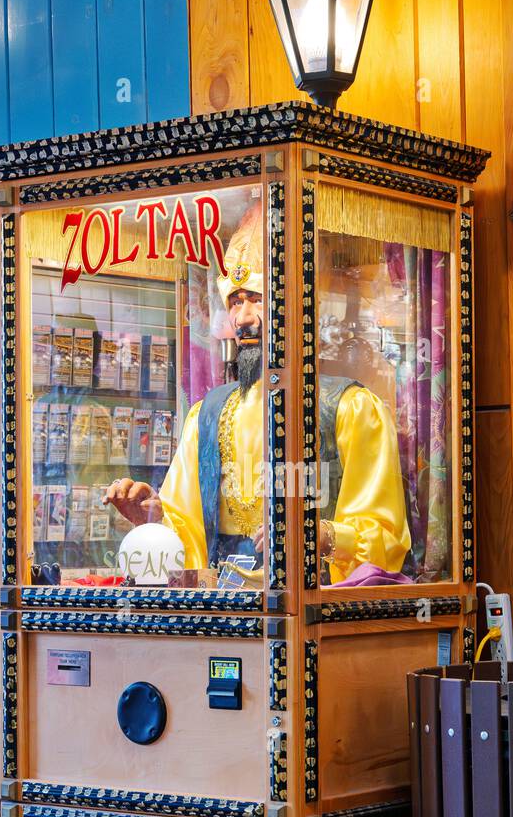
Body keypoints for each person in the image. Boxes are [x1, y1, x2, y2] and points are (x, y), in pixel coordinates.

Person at [104, 202, 410, 584]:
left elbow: (384, 538)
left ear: (296, 308)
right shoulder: (207, 413)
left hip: (313, 605)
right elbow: (187, 532)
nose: (242, 319)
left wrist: (322, 535)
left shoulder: (350, 407)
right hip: (225, 611)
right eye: (234, 301)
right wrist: (153, 520)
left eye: (256, 299)